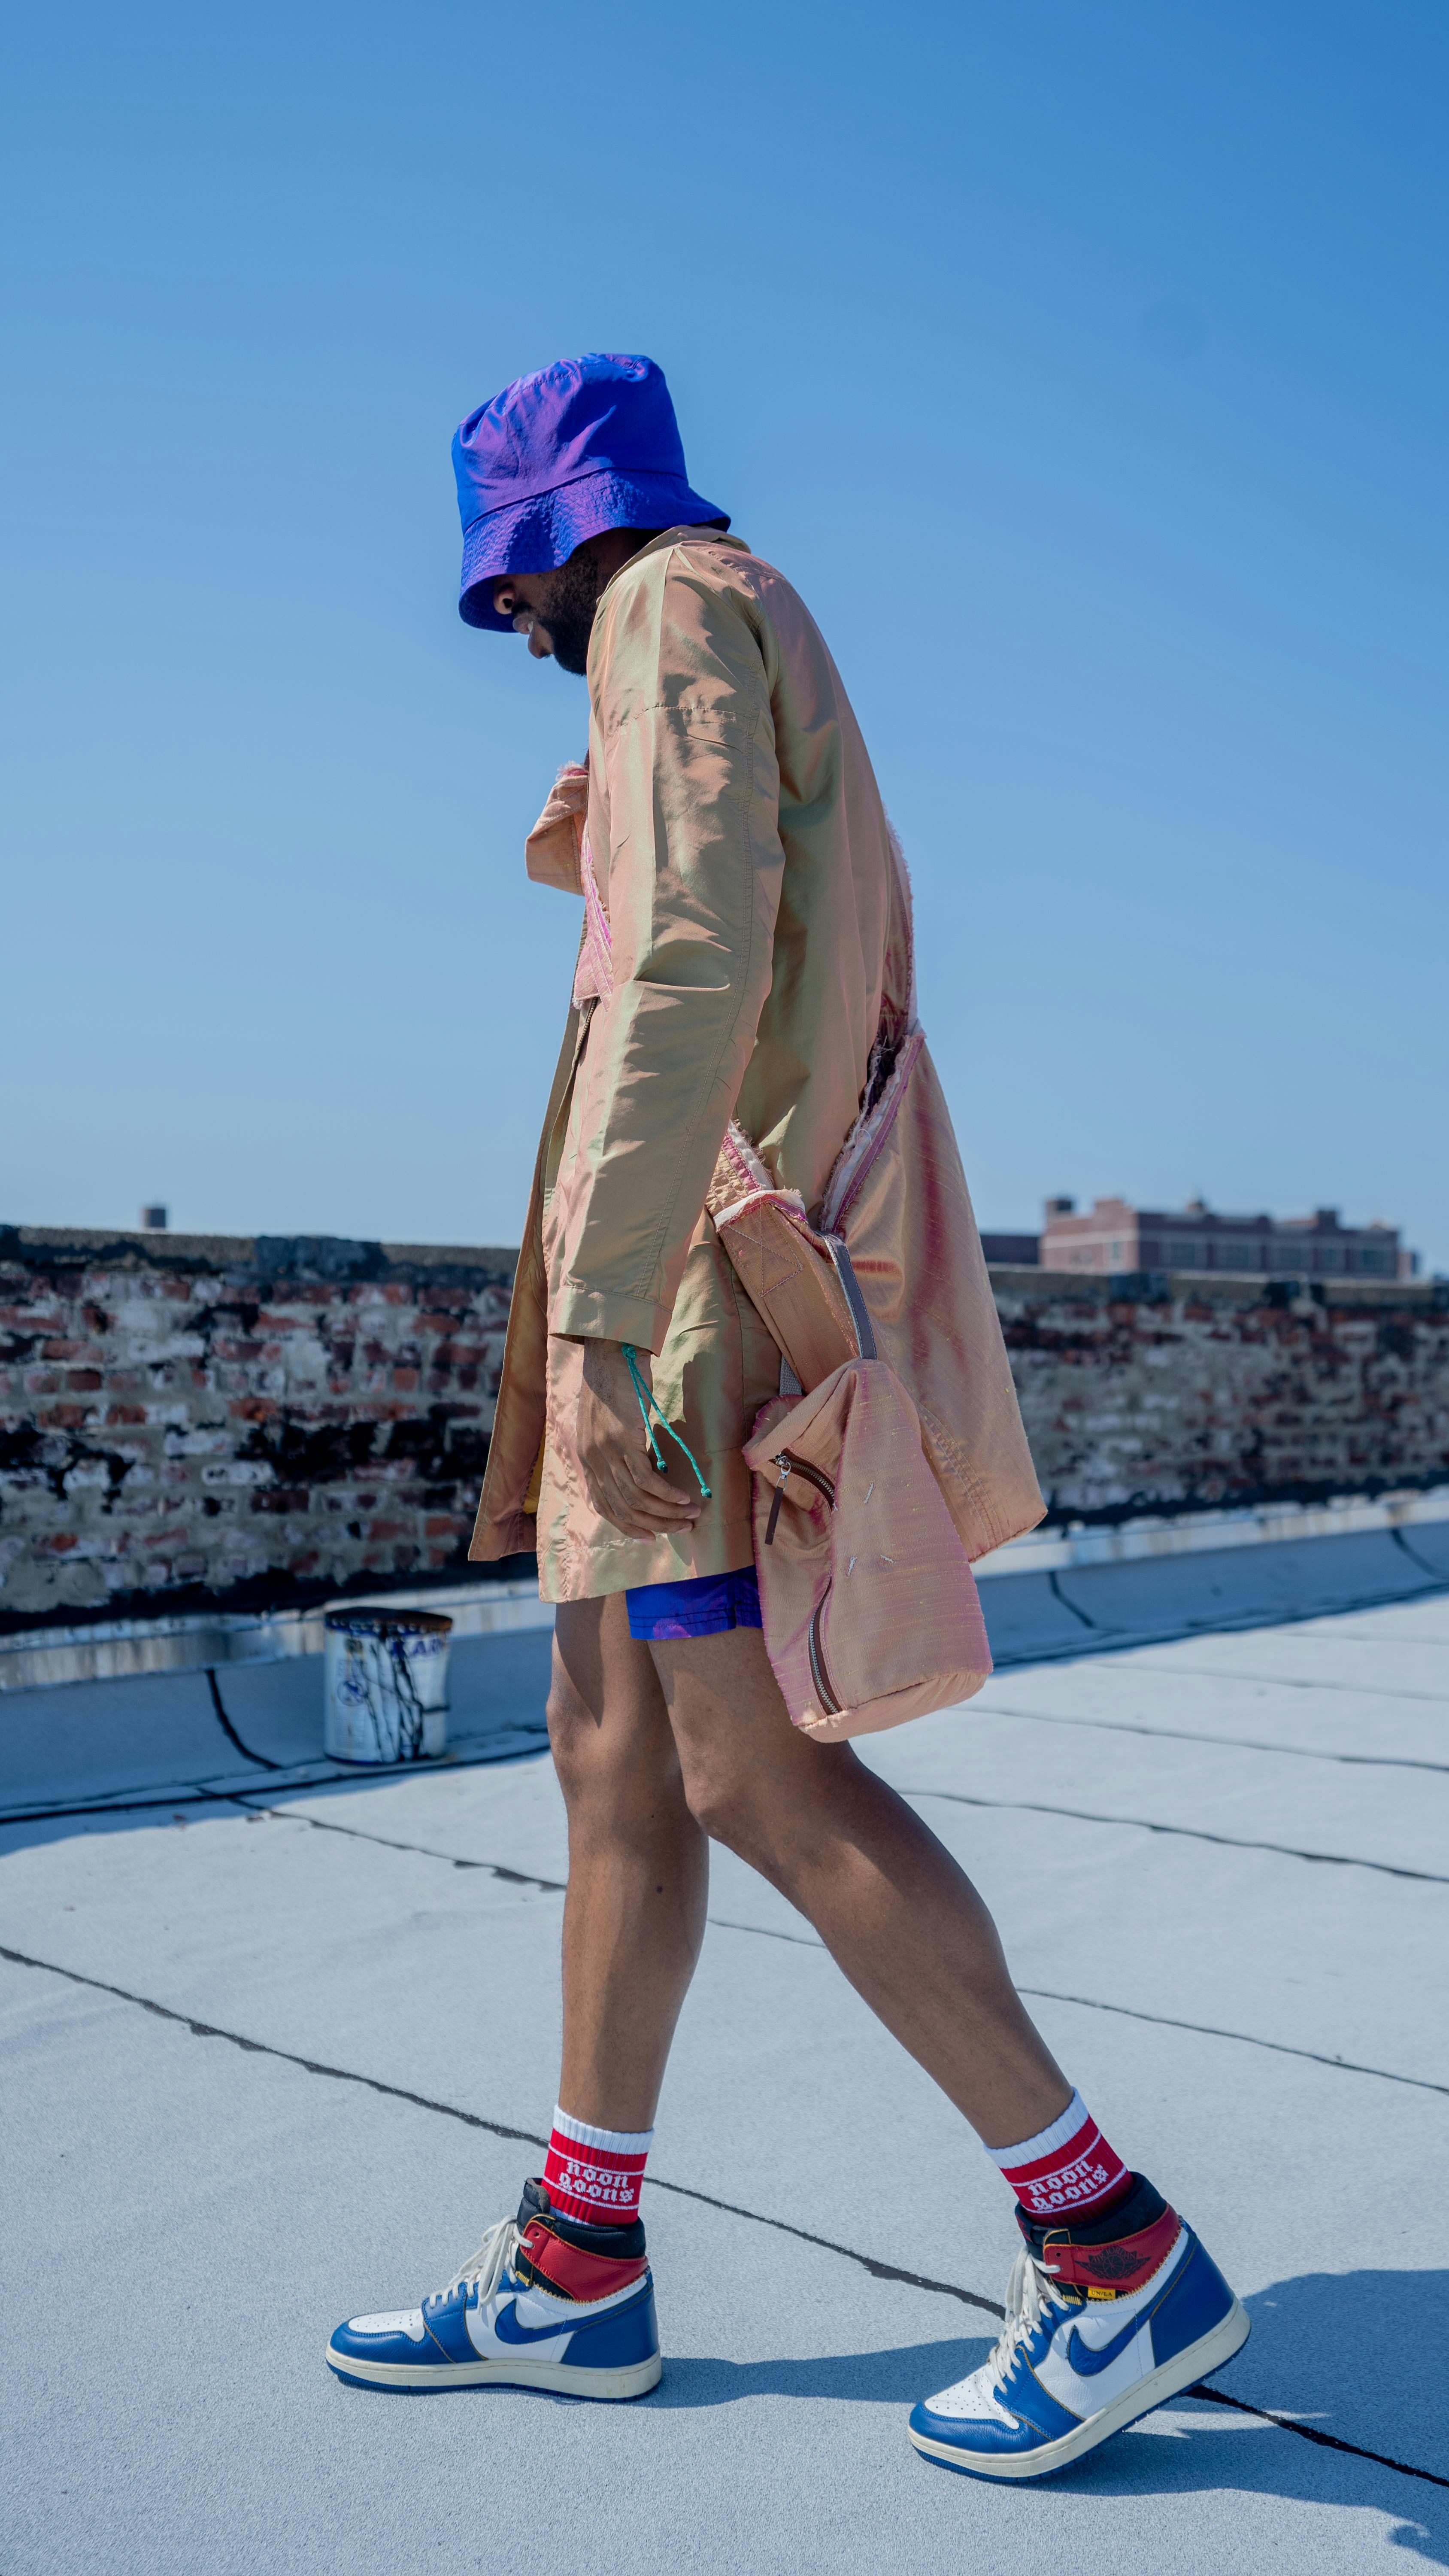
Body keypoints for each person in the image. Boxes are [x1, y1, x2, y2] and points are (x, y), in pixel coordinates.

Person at [326, 353, 1248, 2479]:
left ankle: (1109, 2247)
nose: (513, 630)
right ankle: (575, 2271)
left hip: (681, 1297)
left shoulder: (668, 611)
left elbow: (691, 951)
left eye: (507, 590)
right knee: (614, 1754)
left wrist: (613, 1298)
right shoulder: (732, 621)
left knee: (747, 1767)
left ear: (551, 541)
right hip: (677, 1271)